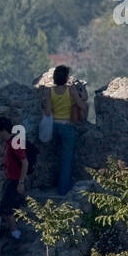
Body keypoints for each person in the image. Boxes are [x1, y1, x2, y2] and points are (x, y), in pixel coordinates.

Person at [41, 64, 86, 196]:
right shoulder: (70, 90)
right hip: (67, 127)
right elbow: (82, 105)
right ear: (66, 77)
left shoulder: (49, 91)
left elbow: (48, 112)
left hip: (54, 127)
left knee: (54, 156)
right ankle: (64, 190)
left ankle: (51, 183)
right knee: (66, 159)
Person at [0, 115, 28, 241]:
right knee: (6, 208)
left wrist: (21, 182)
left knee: (6, 209)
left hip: (15, 181)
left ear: (3, 130)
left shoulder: (15, 143)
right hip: (10, 179)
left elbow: (25, 162)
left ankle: (16, 235)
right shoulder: (8, 143)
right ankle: (14, 233)